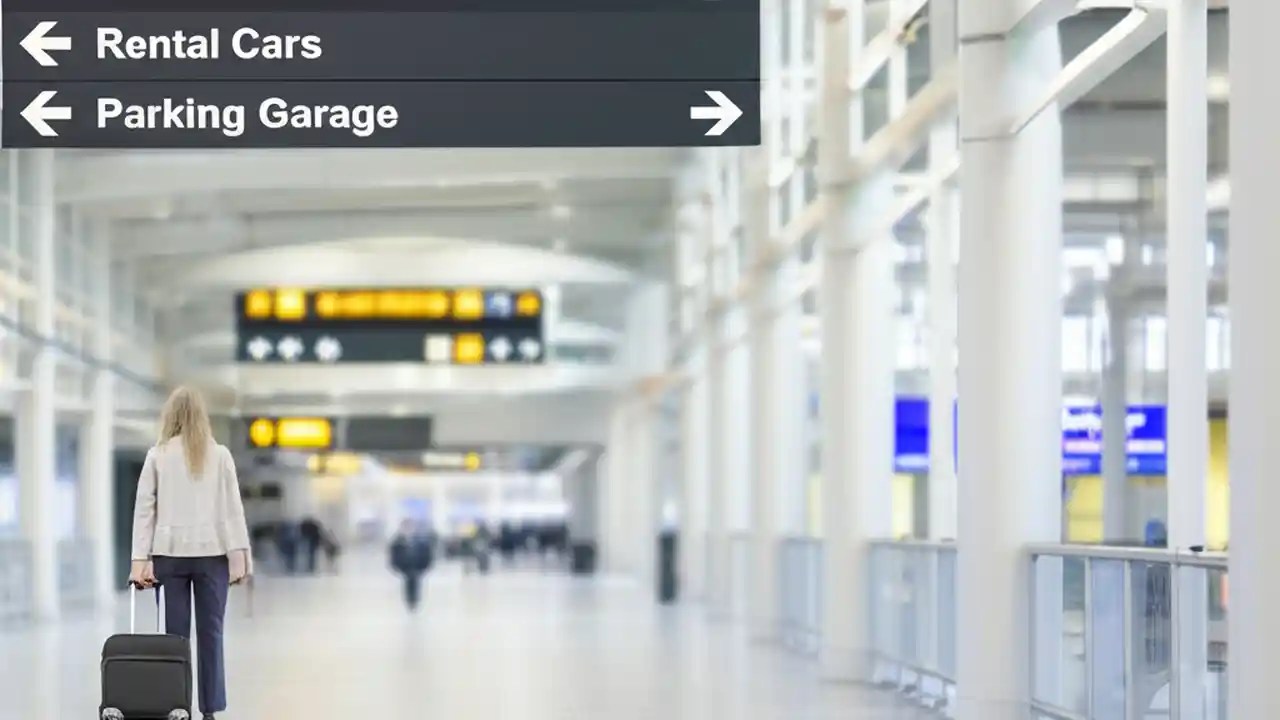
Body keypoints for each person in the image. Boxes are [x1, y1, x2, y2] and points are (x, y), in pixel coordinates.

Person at [128, 386, 252, 720]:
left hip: (168, 558)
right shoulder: (220, 455)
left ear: (170, 416)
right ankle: (210, 710)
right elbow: (233, 510)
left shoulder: (158, 455)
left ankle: (176, 706)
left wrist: (139, 561)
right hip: (213, 558)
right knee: (212, 634)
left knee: (174, 636)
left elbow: (145, 510)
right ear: (202, 417)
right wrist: (239, 557)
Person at [389, 520, 434, 611]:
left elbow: (427, 555)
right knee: (409, 583)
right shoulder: (397, 541)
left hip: (417, 567)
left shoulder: (421, 541)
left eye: (410, 526)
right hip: (405, 567)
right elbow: (394, 556)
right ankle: (410, 601)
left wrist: (424, 567)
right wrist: (398, 567)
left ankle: (415, 600)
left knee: (415, 582)